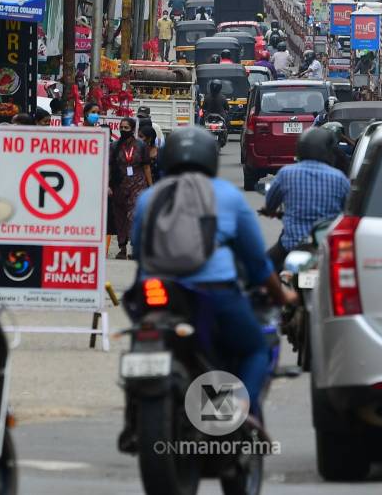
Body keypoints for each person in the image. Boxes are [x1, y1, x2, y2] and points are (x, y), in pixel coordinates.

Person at [124, 127, 298, 440]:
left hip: (156, 294)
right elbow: (257, 263)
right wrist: (281, 294)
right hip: (214, 293)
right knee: (255, 349)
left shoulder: (149, 197)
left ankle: (133, 419)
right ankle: (242, 416)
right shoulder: (228, 195)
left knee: (141, 345)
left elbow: (140, 249)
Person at [261, 127, 351, 270]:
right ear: (328, 151)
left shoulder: (286, 173)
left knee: (262, 270)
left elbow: (270, 205)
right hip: (325, 246)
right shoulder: (339, 178)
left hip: (291, 245)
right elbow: (347, 213)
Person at [109, 117, 153, 259]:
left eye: (126, 128)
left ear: (133, 130)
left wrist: (150, 186)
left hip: (137, 184)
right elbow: (109, 166)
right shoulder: (114, 146)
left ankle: (135, 247)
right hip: (119, 184)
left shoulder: (141, 146)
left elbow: (146, 166)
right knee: (120, 217)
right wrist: (108, 185)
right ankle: (122, 248)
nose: (123, 130)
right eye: (121, 127)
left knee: (133, 215)